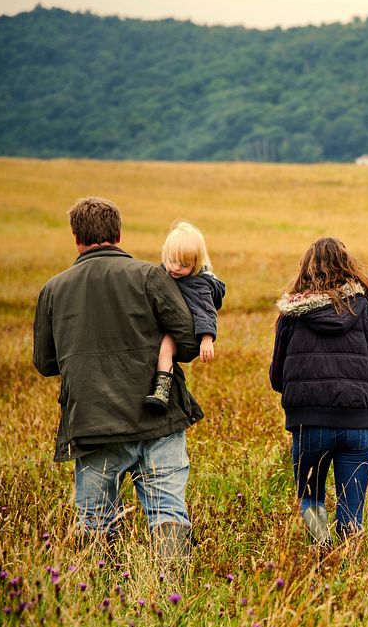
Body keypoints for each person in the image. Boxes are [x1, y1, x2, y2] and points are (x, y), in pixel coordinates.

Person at [33, 197, 203, 568]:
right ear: (119, 233)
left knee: (93, 522)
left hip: (93, 424)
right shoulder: (150, 277)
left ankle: (99, 597)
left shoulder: (53, 289)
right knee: (168, 514)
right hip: (159, 419)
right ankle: (170, 592)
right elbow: (188, 341)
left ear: (76, 237)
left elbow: (45, 363)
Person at [269, 237, 368, 547]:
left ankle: (323, 551)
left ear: (305, 270)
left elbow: (277, 378)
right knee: (352, 514)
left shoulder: (292, 314)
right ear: (348, 268)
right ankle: (348, 567)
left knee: (311, 500)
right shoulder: (365, 310)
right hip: (357, 425)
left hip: (309, 425)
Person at [144, 221, 226, 412]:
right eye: (172, 260)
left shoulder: (197, 285)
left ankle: (162, 392)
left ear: (196, 264)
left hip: (179, 330)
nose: (176, 268)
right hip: (165, 324)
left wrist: (207, 339)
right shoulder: (163, 274)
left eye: (184, 265)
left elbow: (205, 311)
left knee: (165, 349)